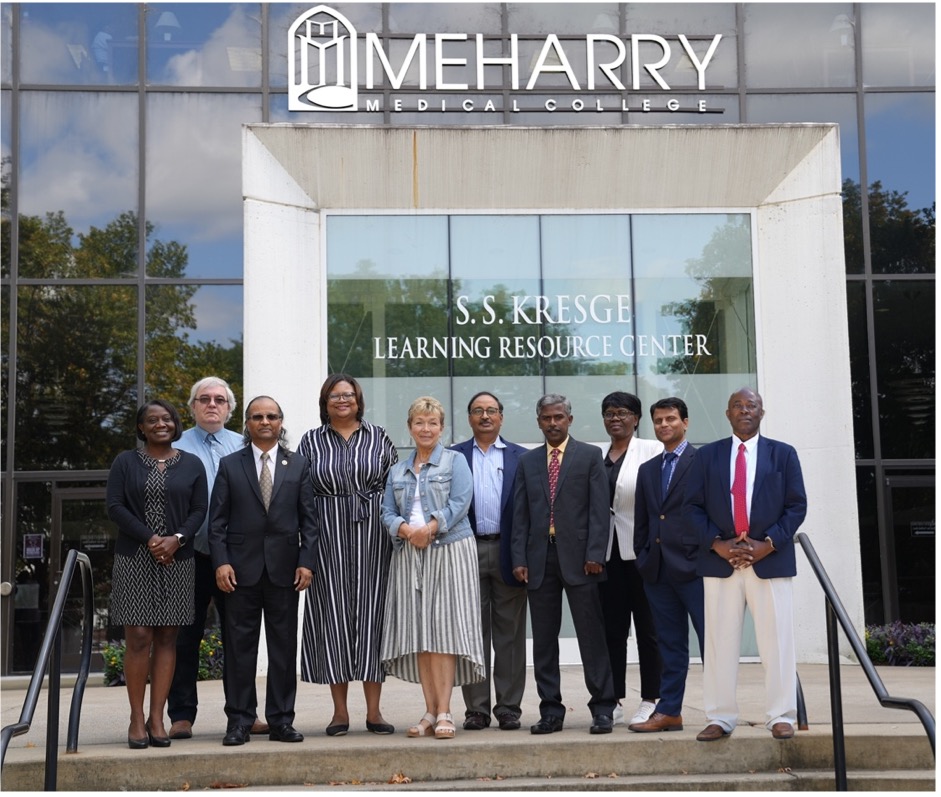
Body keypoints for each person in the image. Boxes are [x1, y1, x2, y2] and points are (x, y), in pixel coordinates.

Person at [684, 387, 807, 742]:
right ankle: (720, 717)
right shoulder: (707, 456)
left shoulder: (783, 454)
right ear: (727, 414)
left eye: (751, 405)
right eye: (737, 406)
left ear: (761, 413)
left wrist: (766, 544)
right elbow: (691, 507)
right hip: (721, 562)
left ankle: (781, 715)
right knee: (719, 644)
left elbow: (796, 506)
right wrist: (717, 544)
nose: (744, 410)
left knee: (777, 642)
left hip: (769, 560)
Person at [209, 396, 319, 746]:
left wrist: (306, 561)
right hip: (239, 572)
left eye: (272, 416)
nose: (265, 421)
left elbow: (310, 523)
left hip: (285, 571)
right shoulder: (230, 465)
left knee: (283, 649)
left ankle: (281, 721)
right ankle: (240, 721)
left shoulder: (299, 464)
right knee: (240, 649)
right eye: (257, 416)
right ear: (247, 423)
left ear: (281, 422)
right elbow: (217, 523)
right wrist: (221, 561)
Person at [297, 374, 398, 737]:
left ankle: (374, 711)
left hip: (374, 535)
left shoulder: (379, 437)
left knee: (373, 618)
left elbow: (396, 487)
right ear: (325, 402)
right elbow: (301, 495)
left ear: (358, 400)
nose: (342, 401)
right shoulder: (310, 441)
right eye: (335, 396)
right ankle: (339, 713)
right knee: (333, 619)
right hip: (327, 537)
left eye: (348, 395)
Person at [511, 393, 617, 735]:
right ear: (539, 422)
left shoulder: (589, 456)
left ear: (569, 419)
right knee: (543, 640)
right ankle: (551, 711)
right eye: (546, 418)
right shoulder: (527, 463)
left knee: (591, 636)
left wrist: (595, 554)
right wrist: (519, 559)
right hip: (540, 561)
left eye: (559, 417)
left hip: (582, 560)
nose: (553, 423)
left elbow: (600, 511)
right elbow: (520, 515)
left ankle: (602, 708)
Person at [380, 396, 485, 740]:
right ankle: (429, 710)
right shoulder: (397, 469)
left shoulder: (455, 462)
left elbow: (460, 503)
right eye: (419, 423)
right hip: (409, 552)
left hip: (449, 549)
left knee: (443, 634)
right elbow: (386, 513)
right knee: (420, 634)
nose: (426, 429)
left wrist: (430, 527)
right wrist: (407, 530)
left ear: (442, 428)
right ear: (409, 428)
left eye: (432, 423)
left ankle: (445, 711)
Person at [106, 399, 207, 749]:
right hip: (135, 558)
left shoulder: (192, 465)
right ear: (141, 427)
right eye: (152, 420)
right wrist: (151, 538)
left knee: (168, 637)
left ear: (175, 424)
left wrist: (175, 540)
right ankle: (136, 718)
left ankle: (157, 717)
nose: (160, 424)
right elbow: (114, 506)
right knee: (138, 636)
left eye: (166, 419)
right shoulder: (125, 462)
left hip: (178, 561)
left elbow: (199, 510)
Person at [168, 376, 259, 740]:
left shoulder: (244, 444)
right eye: (203, 399)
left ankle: (244, 715)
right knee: (184, 638)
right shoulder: (175, 446)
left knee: (240, 639)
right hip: (187, 557)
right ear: (192, 406)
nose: (211, 405)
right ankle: (181, 715)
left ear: (229, 408)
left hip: (234, 559)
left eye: (219, 400)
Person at [451, 392, 528, 731]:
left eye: (491, 411)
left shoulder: (521, 458)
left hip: (508, 552)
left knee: (509, 635)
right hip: (466, 551)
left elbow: (528, 512)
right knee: (472, 634)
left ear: (501, 417)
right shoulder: (452, 457)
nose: (485, 416)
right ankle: (477, 709)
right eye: (478, 411)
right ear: (469, 417)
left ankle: (508, 707)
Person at [630, 397, 704, 733]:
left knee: (713, 645)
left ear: (685, 422)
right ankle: (670, 711)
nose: (664, 425)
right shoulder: (647, 470)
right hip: (658, 572)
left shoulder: (703, 462)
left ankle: (720, 714)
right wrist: (644, 558)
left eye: (671, 419)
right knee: (671, 648)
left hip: (696, 570)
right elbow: (644, 521)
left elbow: (715, 513)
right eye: (658, 421)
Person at [597, 391, 663, 727]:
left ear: (636, 419)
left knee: (649, 631)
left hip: (642, 554)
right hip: (607, 557)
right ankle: (613, 698)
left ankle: (652, 698)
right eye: (609, 413)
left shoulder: (651, 450)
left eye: (623, 412)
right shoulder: (597, 456)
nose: (615, 418)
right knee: (612, 630)